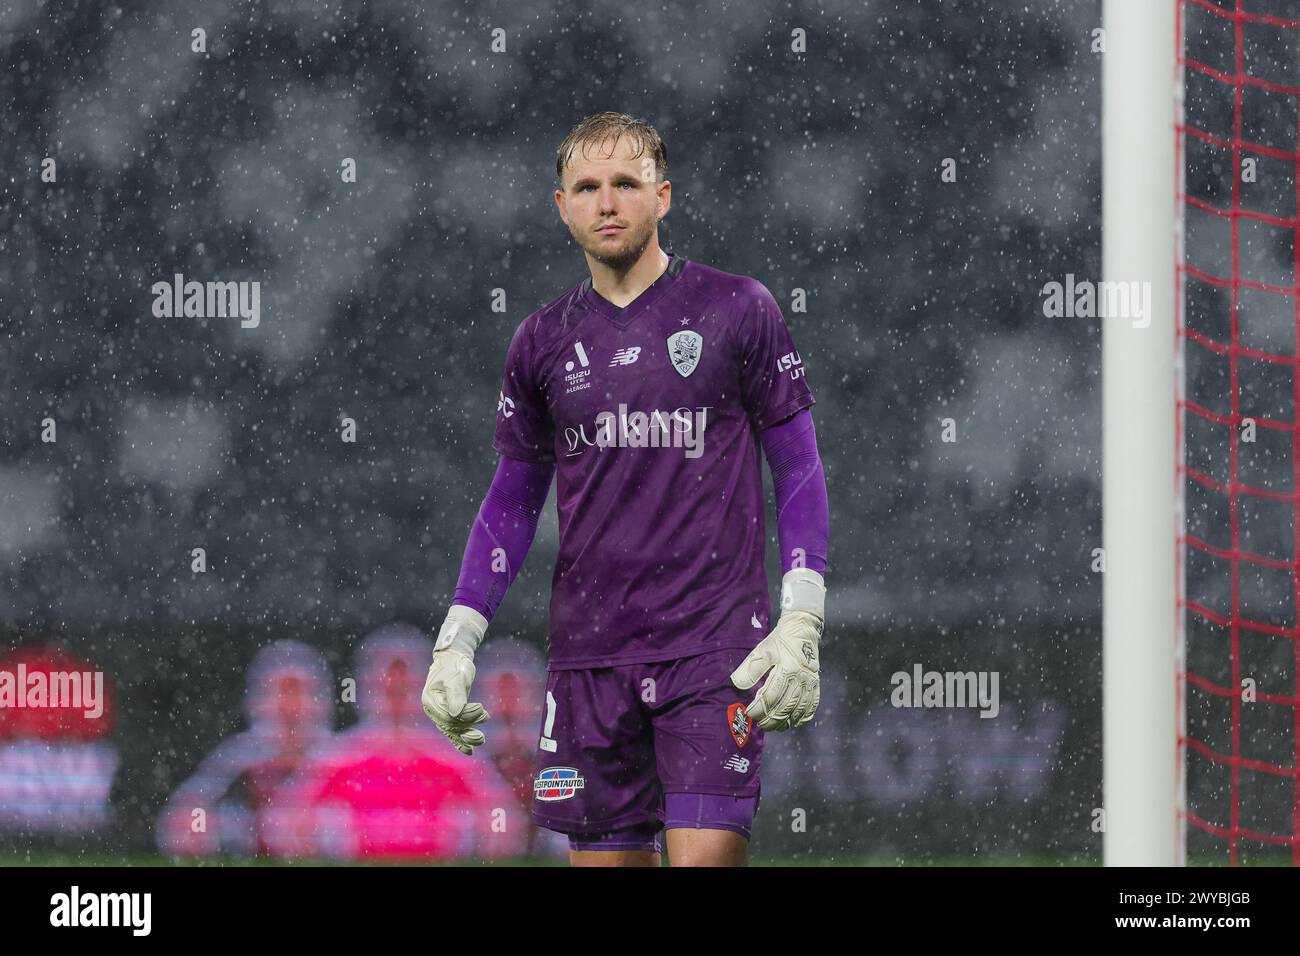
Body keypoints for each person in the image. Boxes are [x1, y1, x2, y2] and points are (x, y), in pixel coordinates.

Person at [421, 111, 829, 867]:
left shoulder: (739, 309)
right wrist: (458, 639)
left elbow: (798, 465)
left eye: (625, 184)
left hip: (713, 651)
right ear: (562, 205)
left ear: (663, 196)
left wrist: (803, 617)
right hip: (590, 659)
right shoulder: (541, 341)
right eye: (586, 186)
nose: (606, 202)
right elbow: (512, 500)